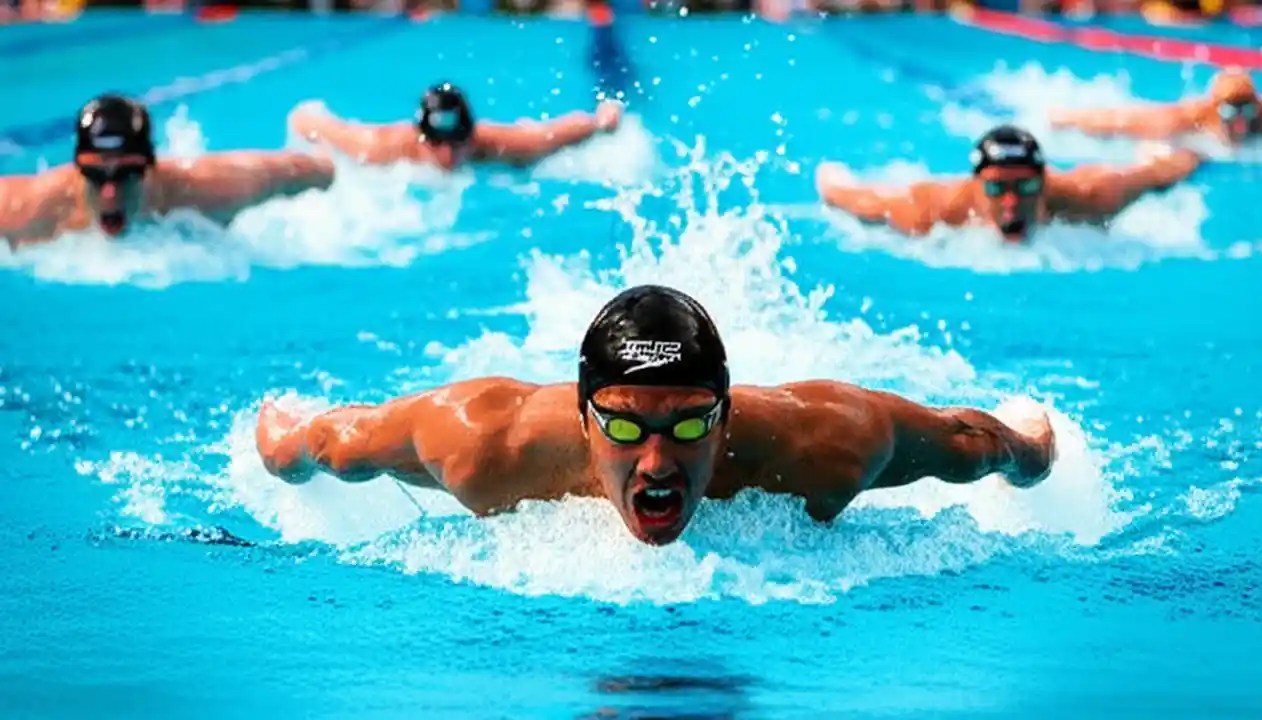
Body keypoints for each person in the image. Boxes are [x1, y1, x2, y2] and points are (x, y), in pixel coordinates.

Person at [256, 284, 1057, 546]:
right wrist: (281, 441)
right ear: (580, 419)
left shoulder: (827, 445)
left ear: (728, 415)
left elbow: (968, 442)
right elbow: (337, 441)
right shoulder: (484, 446)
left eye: (688, 424)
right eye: (625, 426)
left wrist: (1031, 450)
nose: (657, 463)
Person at [0, 94, 334, 249]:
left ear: (151, 166)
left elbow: (314, 170)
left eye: (126, 174)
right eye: (96, 175)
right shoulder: (29, 208)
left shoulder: (208, 189)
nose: (110, 193)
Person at [815, 124, 1200, 244]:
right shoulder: (931, 210)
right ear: (978, 185)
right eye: (998, 189)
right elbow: (848, 196)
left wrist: (1188, 156)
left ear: (1044, 181)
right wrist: (832, 179)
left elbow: (1160, 173)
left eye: (1026, 187)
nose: (1012, 202)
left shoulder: (1091, 196)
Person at [287, 81, 624, 170]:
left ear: (470, 134)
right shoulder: (379, 147)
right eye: (438, 144)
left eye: (457, 142)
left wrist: (601, 120)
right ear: (422, 138)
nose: (448, 154)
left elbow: (550, 134)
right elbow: (304, 119)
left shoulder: (493, 144)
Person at [1049, 68, 1262, 147]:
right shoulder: (1190, 117)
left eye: (1247, 112)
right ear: (1214, 109)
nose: (1240, 125)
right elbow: (1120, 121)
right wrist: (1069, 120)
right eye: (1229, 113)